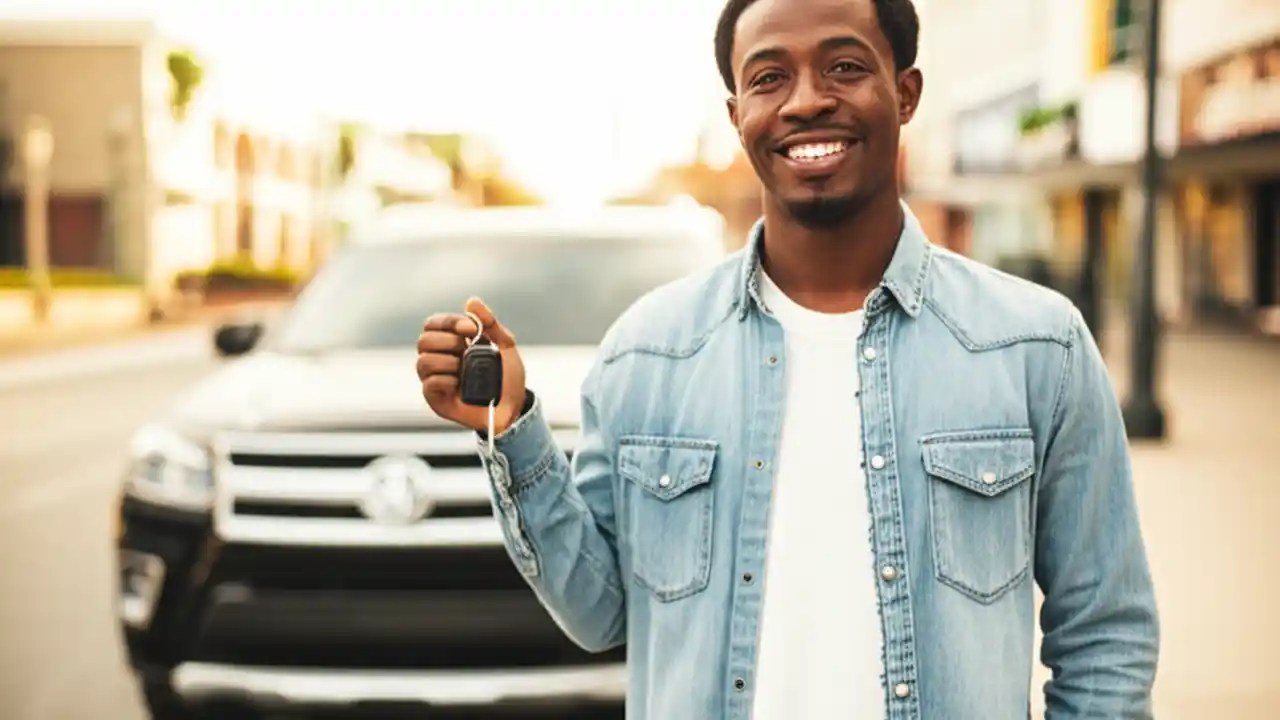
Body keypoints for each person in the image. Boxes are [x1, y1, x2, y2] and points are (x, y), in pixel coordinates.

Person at [415, 0, 1160, 716]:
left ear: (905, 93)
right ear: (737, 114)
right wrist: (510, 427)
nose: (806, 101)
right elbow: (600, 614)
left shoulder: (1036, 347)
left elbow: (1104, 633)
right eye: (769, 77)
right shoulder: (646, 356)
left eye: (843, 66)